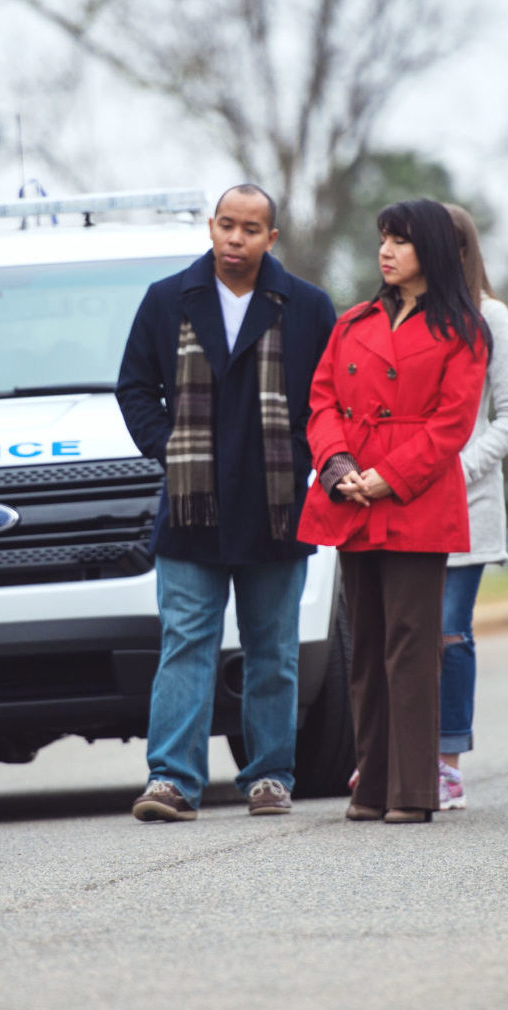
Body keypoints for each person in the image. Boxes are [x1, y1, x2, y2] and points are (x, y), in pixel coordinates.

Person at [115, 184, 338, 822]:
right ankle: (172, 782)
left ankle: (269, 775)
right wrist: (170, 447)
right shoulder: (167, 301)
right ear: (211, 227)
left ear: (272, 238)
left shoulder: (307, 306)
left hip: (276, 508)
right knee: (186, 641)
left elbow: (326, 401)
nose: (235, 240)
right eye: (227, 226)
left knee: (274, 646)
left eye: (251, 229)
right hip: (190, 509)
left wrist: (299, 461)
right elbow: (134, 388)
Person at [298, 199, 487, 824]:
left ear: (429, 249)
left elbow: (452, 424)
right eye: (383, 238)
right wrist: (337, 465)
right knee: (366, 648)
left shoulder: (463, 329)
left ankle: (413, 791)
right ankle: (371, 787)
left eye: (400, 240)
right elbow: (321, 401)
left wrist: (390, 477)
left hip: (415, 500)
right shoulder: (352, 322)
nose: (386, 250)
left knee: (411, 648)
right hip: (352, 496)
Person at [434, 202, 508, 812]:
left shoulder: (489, 316)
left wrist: (457, 468)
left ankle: (446, 763)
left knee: (448, 634)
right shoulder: (393, 317)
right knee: (396, 636)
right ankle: (393, 754)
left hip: (463, 506)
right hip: (395, 507)